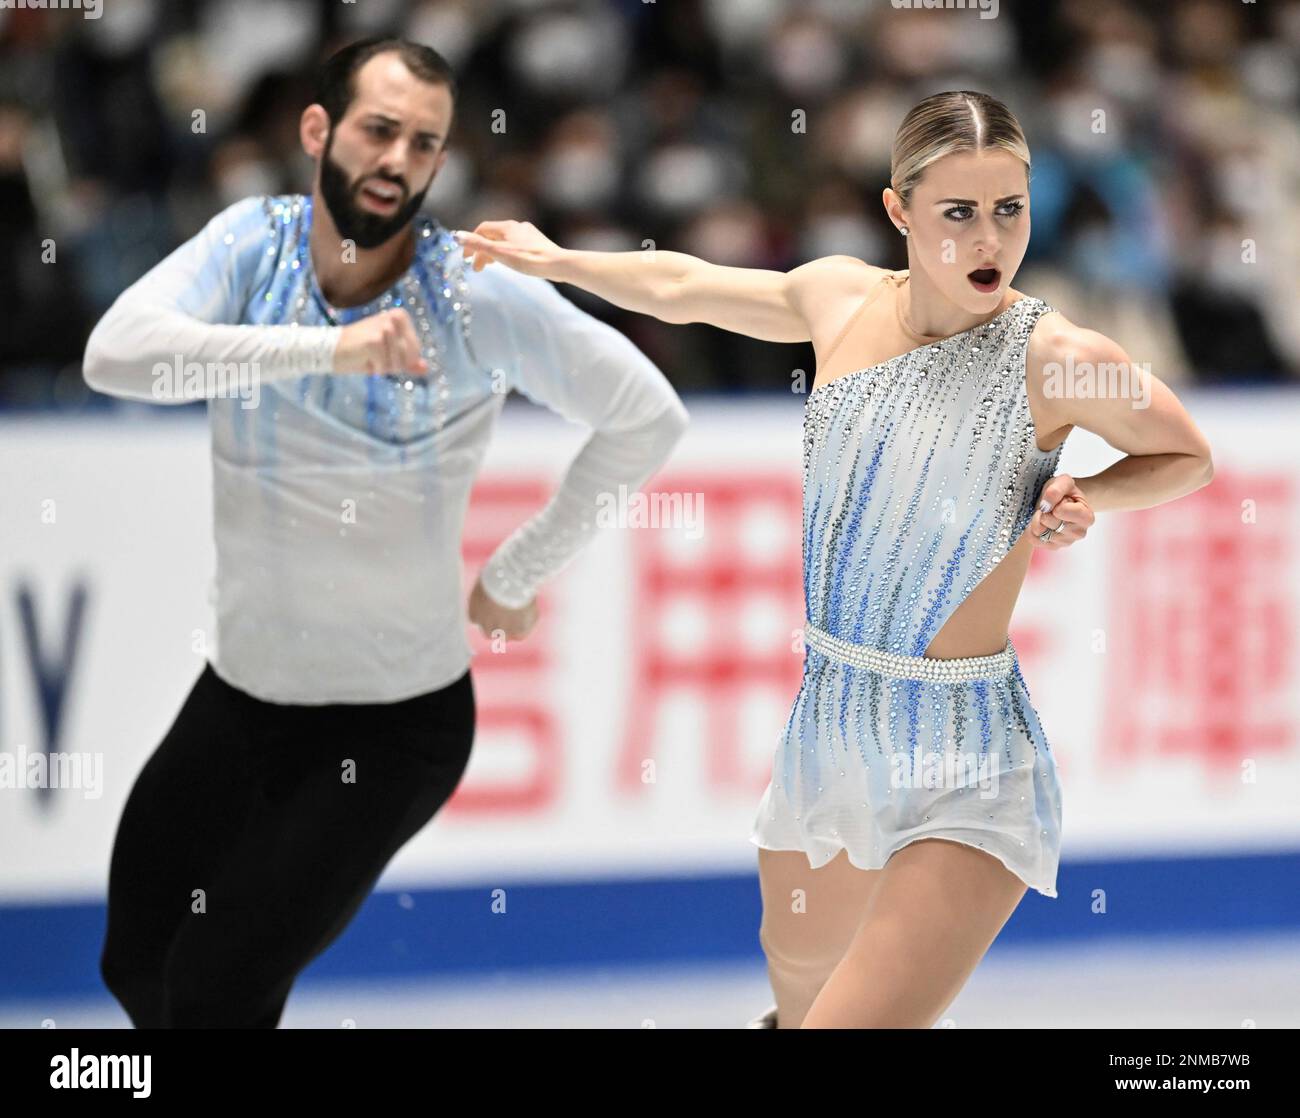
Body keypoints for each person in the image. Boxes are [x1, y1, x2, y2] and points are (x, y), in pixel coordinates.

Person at [454, 90, 1215, 1029]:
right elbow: (687, 286)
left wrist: (1091, 493)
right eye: (958, 213)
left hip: (968, 755)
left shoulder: (1058, 356)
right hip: (830, 732)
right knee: (795, 987)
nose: (989, 241)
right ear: (899, 210)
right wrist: (557, 260)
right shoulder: (836, 298)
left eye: (1009, 211)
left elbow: (1187, 453)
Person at [83, 36, 688, 1028]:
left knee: (214, 987)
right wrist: (326, 348)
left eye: (424, 142)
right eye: (378, 129)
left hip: (391, 723)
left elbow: (648, 412)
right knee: (137, 962)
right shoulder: (250, 245)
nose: (399, 159)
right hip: (243, 696)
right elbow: (116, 357)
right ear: (318, 129)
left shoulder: (473, 295)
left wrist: (519, 565)